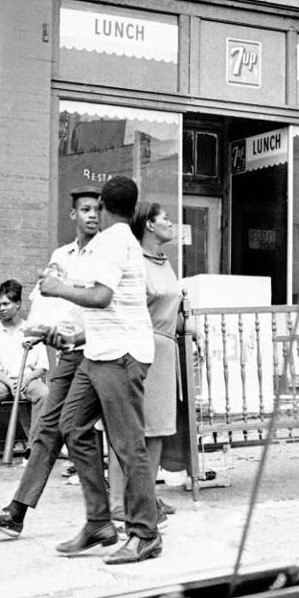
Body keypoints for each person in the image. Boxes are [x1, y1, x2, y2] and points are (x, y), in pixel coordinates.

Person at [39, 175, 160, 564]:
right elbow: (114, 301)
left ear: (105, 206)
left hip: (120, 357)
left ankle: (145, 535)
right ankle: (99, 523)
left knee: (128, 446)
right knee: (72, 425)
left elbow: (102, 297)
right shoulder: (121, 242)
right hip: (101, 352)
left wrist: (57, 288)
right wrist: (76, 337)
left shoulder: (112, 241)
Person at [0, 188, 100, 539]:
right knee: (48, 431)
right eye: (85, 209)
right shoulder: (62, 255)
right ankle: (16, 512)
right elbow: (44, 300)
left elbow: (104, 304)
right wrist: (39, 330)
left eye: (97, 210)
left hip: (101, 352)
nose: (92, 215)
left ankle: (137, 510)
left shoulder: (107, 255)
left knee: (110, 433)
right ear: (72, 214)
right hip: (71, 353)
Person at [107, 201, 189, 529]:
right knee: (130, 429)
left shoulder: (165, 263)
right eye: (165, 219)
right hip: (141, 347)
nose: (172, 223)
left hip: (166, 349)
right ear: (150, 226)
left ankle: (145, 497)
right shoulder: (135, 262)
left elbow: (172, 312)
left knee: (157, 429)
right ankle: (117, 502)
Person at [0, 280, 48, 469]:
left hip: (29, 379)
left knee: (44, 394)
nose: (1, 308)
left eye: (6, 304)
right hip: (2, 380)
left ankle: (32, 451)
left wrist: (25, 379)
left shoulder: (32, 329)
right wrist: (11, 384)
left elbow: (42, 367)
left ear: (18, 304)